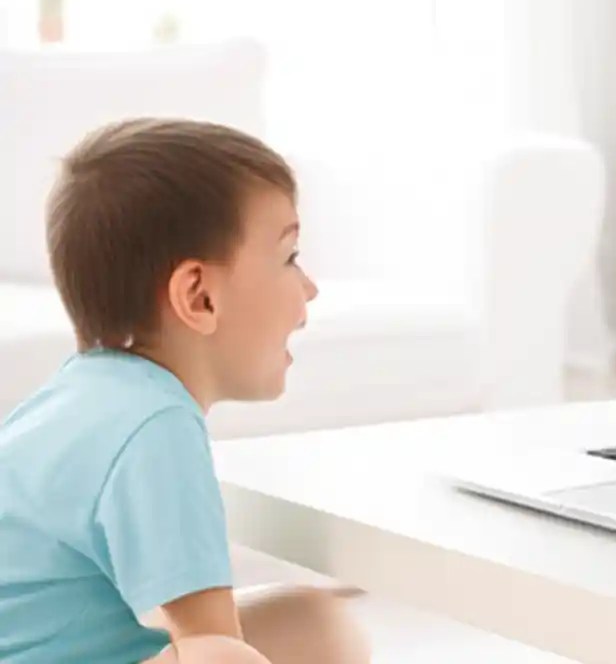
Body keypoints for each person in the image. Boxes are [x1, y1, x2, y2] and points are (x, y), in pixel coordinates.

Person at [0, 119, 370, 664]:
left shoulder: (79, 398)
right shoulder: (156, 427)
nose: (310, 287)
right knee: (222, 656)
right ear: (198, 297)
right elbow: (211, 644)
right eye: (289, 258)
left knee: (311, 623)